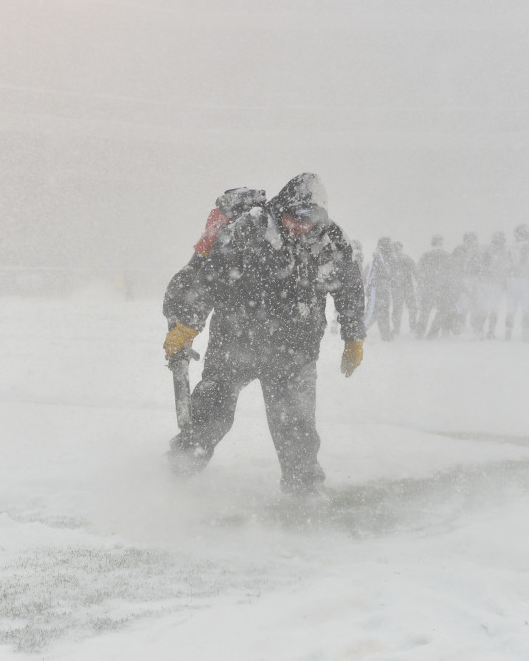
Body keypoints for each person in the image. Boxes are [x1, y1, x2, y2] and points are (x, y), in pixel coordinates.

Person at [162, 173, 365, 496]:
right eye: (294, 217)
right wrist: (187, 325)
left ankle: (304, 497)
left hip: (294, 353)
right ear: (281, 208)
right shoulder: (249, 229)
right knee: (210, 418)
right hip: (235, 343)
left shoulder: (329, 239)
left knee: (296, 430)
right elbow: (211, 277)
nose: (301, 226)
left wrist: (354, 337)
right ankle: (174, 475)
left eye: (309, 219)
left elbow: (349, 289)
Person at [503, 224, 529, 341]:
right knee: (526, 307)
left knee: (511, 307)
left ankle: (508, 332)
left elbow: (506, 264)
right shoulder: (527, 246)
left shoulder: (510, 247)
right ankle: (525, 334)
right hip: (523, 279)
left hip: (511, 279)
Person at [414, 235, 448, 339]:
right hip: (438, 286)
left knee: (426, 311)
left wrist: (421, 282)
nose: (440, 245)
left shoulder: (426, 255)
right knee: (440, 310)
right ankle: (431, 332)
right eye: (439, 243)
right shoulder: (445, 255)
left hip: (430, 286)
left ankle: (421, 332)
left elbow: (419, 271)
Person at [476, 232, 508, 339]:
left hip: (487, 283)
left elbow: (479, 264)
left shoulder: (486, 250)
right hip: (493, 283)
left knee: (485, 308)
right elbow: (504, 269)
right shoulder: (502, 252)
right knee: (493, 309)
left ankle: (482, 331)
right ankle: (489, 331)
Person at [364, 237, 396, 341]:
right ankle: (358, 332)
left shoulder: (387, 257)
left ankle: (385, 333)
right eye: (390, 244)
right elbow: (380, 272)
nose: (392, 246)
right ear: (385, 245)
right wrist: (390, 279)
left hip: (383, 287)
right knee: (372, 311)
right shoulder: (378, 257)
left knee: (384, 310)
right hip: (376, 288)